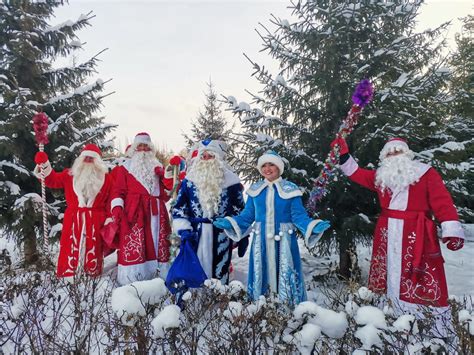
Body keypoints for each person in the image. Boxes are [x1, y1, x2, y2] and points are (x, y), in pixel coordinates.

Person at [331, 137, 465, 335]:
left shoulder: (425, 173)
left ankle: (425, 318)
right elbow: (356, 173)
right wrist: (343, 154)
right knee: (388, 268)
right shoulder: (381, 177)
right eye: (389, 153)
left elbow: (442, 201)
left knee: (416, 271)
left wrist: (450, 228)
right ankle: (389, 313)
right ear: (384, 158)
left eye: (398, 152)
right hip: (387, 231)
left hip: (416, 232)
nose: (394, 156)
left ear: (407, 155)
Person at [214, 151, 330, 306]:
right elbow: (247, 216)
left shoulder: (291, 189)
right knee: (261, 270)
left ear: (279, 167)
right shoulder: (255, 190)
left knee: (286, 271)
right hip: (260, 239)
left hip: (284, 240)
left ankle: (288, 307)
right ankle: (260, 308)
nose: (267, 169)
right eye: (264, 165)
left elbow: (298, 216)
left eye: (271, 165)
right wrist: (230, 223)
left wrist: (312, 226)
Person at [171, 139, 247, 284]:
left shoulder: (231, 182)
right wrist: (183, 229)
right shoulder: (189, 181)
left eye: (210, 156)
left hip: (221, 236)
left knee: (220, 272)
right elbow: (179, 208)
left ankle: (219, 301)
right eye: (203, 156)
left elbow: (240, 210)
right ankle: (195, 303)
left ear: (217, 158)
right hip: (195, 234)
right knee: (194, 272)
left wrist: (235, 227)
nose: (206, 160)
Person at [34, 144, 113, 278]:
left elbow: (111, 201)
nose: (88, 160)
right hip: (73, 221)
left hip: (96, 222)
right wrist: (44, 164)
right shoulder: (69, 175)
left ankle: (91, 281)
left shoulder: (107, 179)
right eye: (85, 157)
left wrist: (108, 219)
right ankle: (67, 279)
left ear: (98, 161)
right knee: (70, 249)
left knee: (93, 250)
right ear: (80, 159)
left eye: (91, 158)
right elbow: (51, 180)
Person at [110, 132, 172, 285]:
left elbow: (167, 194)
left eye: (146, 146)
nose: (143, 149)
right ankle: (134, 280)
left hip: (157, 212)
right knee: (136, 245)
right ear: (134, 149)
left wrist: (166, 177)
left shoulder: (158, 167)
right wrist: (117, 207)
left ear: (151, 149)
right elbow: (118, 190)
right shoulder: (125, 168)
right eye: (140, 146)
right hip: (134, 213)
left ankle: (160, 277)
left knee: (158, 243)